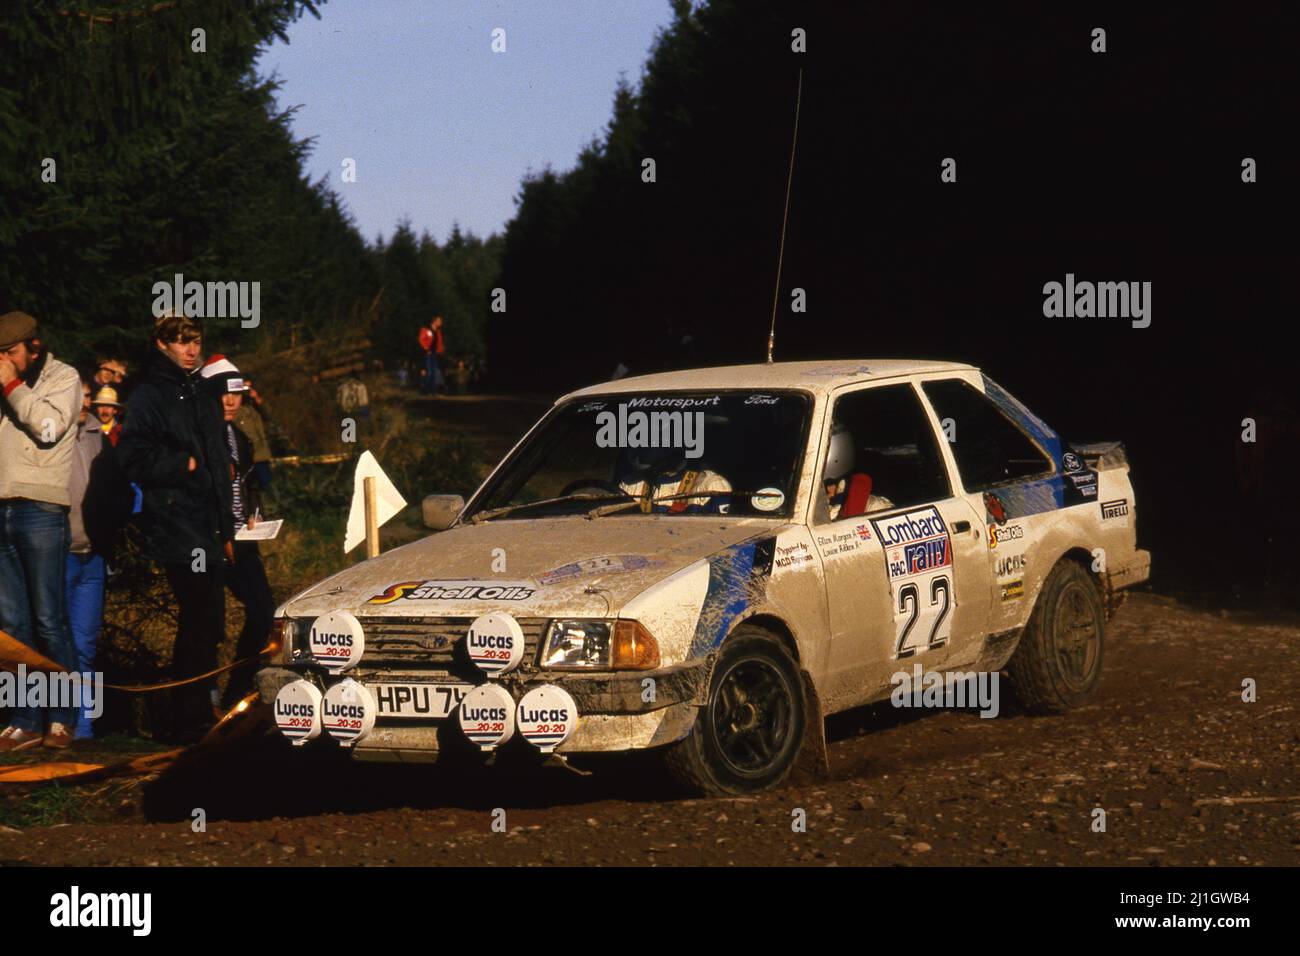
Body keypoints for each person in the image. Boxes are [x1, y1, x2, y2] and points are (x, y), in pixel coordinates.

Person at [115, 312, 234, 742]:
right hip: (174, 521)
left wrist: (227, 528)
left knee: (209, 622)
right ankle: (187, 716)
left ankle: (197, 709)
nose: (190, 348)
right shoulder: (149, 393)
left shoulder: (201, 390)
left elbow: (218, 462)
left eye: (195, 340)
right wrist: (178, 465)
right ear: (162, 344)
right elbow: (130, 455)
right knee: (199, 617)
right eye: (181, 341)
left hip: (207, 524)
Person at [0, 311, 84, 751]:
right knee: (11, 626)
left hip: (40, 509)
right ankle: (25, 718)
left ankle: (63, 717)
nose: (4, 361)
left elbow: (49, 428)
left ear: (33, 347)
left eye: (10, 353)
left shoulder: (63, 377)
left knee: (49, 618)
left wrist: (12, 385)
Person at [200, 356, 274, 708]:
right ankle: (202, 699)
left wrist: (254, 516)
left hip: (242, 541)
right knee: (208, 623)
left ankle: (238, 691)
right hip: (210, 542)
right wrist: (222, 531)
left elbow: (247, 487)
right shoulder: (201, 435)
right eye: (224, 395)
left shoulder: (239, 437)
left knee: (263, 612)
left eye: (238, 395)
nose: (231, 402)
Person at [65, 379, 132, 742]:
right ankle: (51, 721)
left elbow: (118, 490)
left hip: (93, 555)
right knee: (54, 642)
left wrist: (112, 531)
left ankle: (85, 726)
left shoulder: (99, 436)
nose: (85, 402)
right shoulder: (47, 432)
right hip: (56, 553)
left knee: (85, 642)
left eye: (88, 396)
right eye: (80, 396)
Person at [232, 374, 273, 490]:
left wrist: (256, 398)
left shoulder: (254, 407)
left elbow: (268, 416)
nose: (246, 391)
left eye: (248, 388)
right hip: (247, 458)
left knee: (267, 488)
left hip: (262, 455)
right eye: (243, 388)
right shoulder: (235, 409)